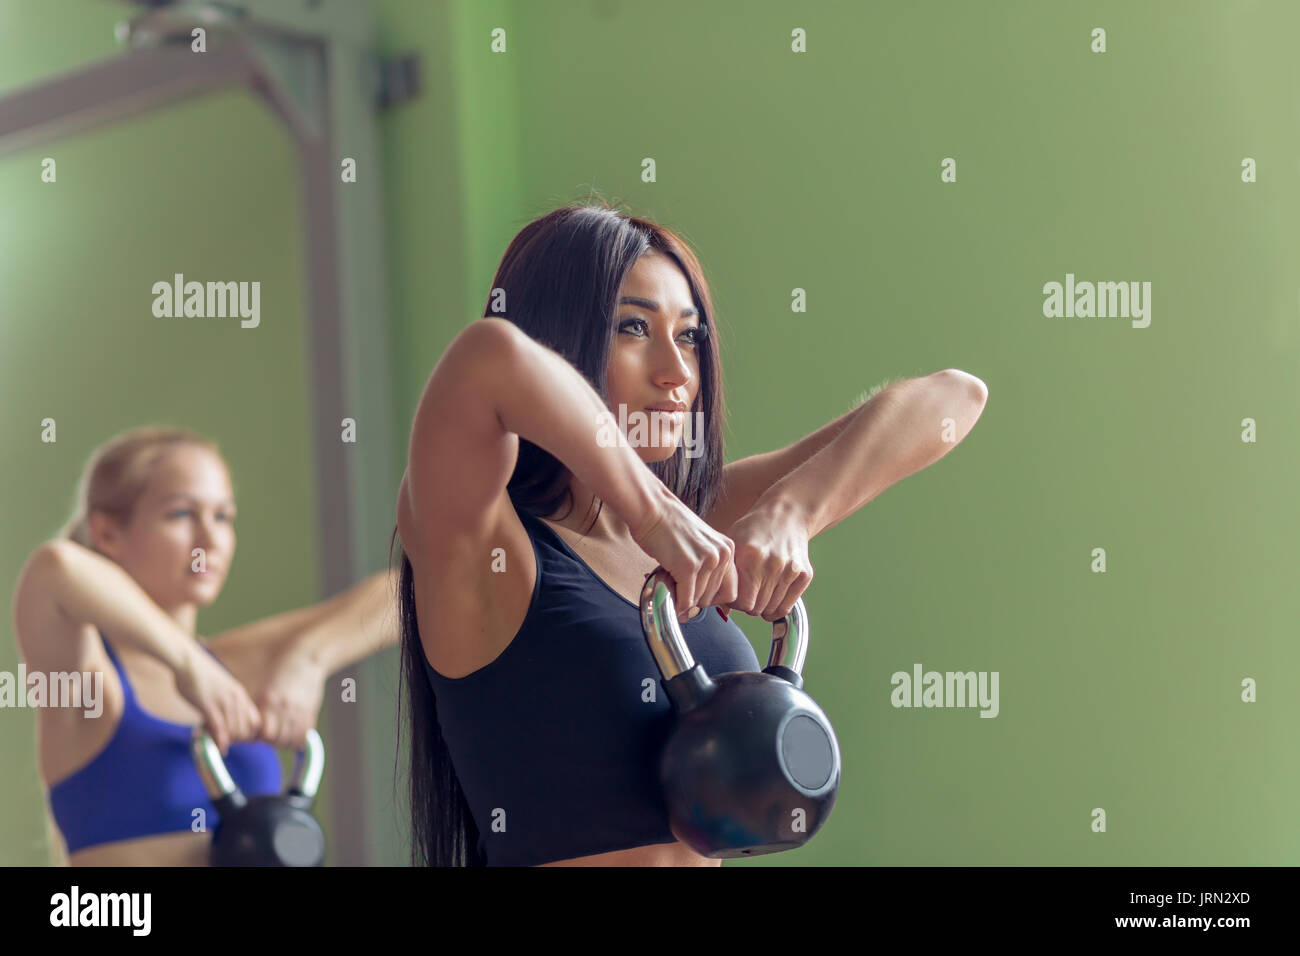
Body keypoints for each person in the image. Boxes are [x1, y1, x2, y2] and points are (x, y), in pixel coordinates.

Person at [393, 200, 989, 867]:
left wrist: (791, 514)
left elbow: (954, 397)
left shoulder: (701, 528)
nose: (676, 373)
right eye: (632, 328)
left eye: (690, 336)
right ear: (559, 337)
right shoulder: (483, 545)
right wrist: (655, 512)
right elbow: (487, 360)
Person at [12, 427, 398, 866]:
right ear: (107, 532)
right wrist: (187, 665)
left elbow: (406, 593)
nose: (210, 541)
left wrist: (310, 658)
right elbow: (53, 571)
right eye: (181, 514)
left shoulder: (228, 667)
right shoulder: (90, 685)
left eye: (223, 517)